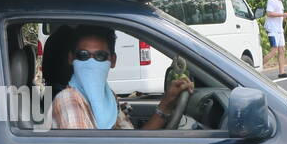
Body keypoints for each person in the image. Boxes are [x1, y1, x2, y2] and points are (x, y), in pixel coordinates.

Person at [50, 26, 193, 129]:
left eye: (100, 56)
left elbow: (131, 142)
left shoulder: (108, 97)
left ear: (112, 61)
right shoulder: (68, 100)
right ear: (71, 58)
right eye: (83, 55)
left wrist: (167, 103)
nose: (91, 62)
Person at [264, 0, 287, 79]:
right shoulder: (272, 0)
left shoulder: (280, 3)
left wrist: (286, 16)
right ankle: (255, 69)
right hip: (272, 29)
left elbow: (281, 17)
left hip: (279, 29)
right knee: (273, 51)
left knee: (282, 50)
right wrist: (283, 14)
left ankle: (281, 72)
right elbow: (269, 13)